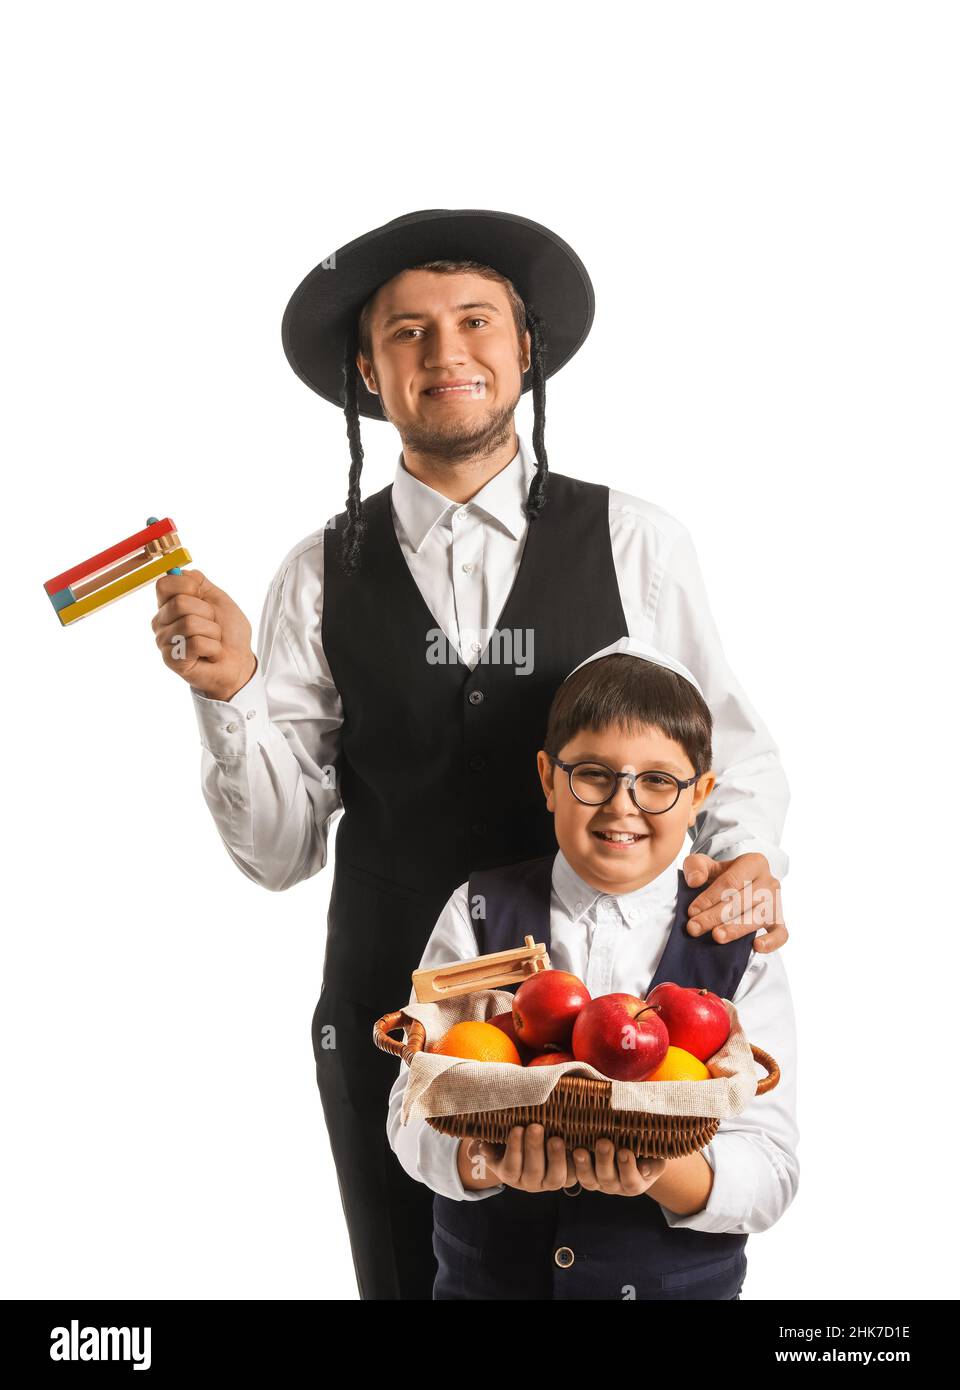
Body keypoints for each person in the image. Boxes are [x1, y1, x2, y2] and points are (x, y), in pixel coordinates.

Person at [151, 208, 790, 1301]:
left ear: (524, 348)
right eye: (407, 332)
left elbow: (730, 759)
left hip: (620, 1019)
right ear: (367, 370)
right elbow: (279, 851)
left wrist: (744, 872)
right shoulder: (319, 573)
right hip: (399, 1020)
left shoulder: (635, 539)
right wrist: (232, 697)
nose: (446, 354)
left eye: (475, 320)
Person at [387, 639, 799, 1300]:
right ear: (549, 780)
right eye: (594, 775)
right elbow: (409, 1115)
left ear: (702, 795)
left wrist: (664, 1166)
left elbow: (772, 1168)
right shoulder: (478, 910)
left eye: (658, 781)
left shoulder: (733, 938)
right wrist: (483, 1159)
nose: (622, 805)